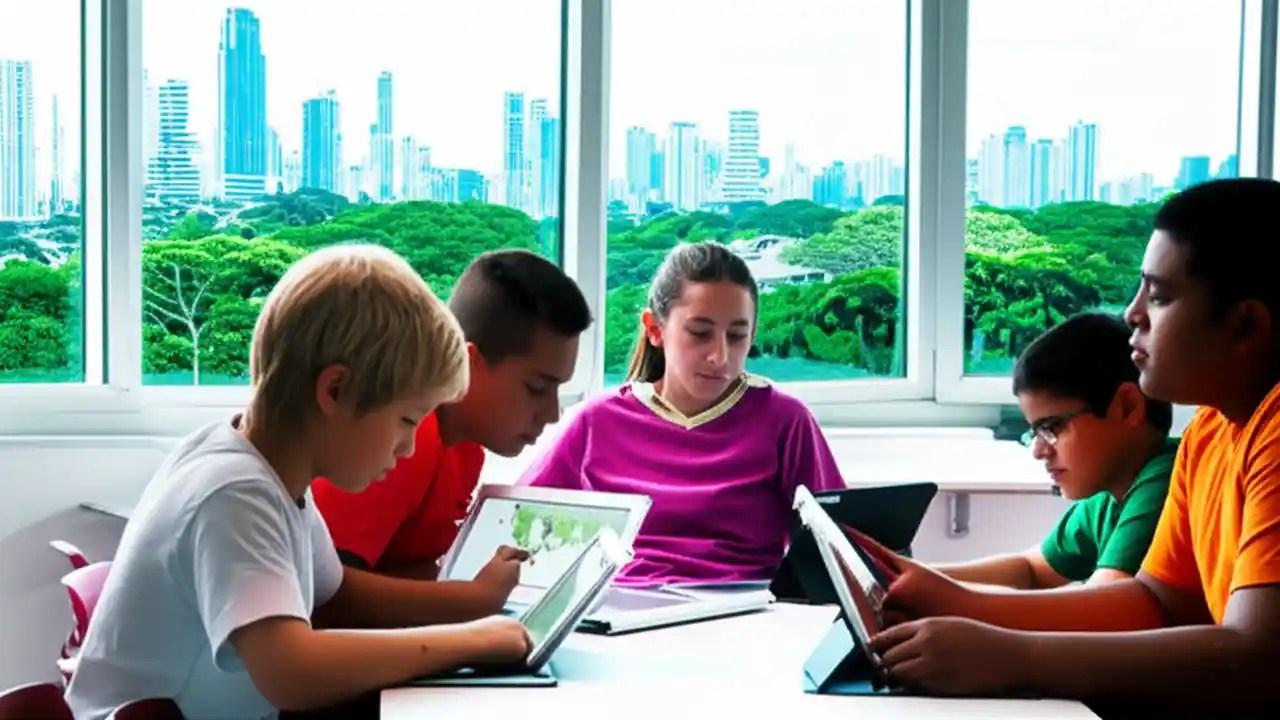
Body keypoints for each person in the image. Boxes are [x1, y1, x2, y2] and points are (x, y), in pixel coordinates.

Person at [862, 178, 1280, 714]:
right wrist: (953, 600)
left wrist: (1014, 656)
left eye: (1158, 296)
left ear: (1245, 324)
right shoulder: (1208, 434)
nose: (1133, 314)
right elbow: (1152, 601)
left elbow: (1258, 655)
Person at [66, 245, 530, 720]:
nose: (408, 447)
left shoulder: (268, 474)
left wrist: (472, 602)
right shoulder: (235, 493)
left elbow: (338, 594)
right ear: (335, 391)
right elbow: (292, 672)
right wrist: (471, 641)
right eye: (407, 419)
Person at [518, 241, 846, 586]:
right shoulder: (597, 420)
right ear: (655, 329)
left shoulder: (785, 419)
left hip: (742, 617)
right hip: (618, 613)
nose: (719, 356)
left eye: (736, 336)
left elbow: (841, 542)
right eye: (700, 334)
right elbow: (516, 522)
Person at [311, 249, 591, 616]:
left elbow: (409, 572)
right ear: (468, 363)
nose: (552, 414)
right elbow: (323, 594)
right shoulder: (402, 438)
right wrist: (472, 601)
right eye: (537, 387)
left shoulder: (465, 449)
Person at [935, 312, 1177, 591]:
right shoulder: (1106, 496)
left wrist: (948, 601)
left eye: (1051, 427)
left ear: (1127, 407)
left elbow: (1098, 608)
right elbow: (1031, 570)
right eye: (1034, 432)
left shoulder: (1165, 479)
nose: (1038, 451)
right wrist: (908, 574)